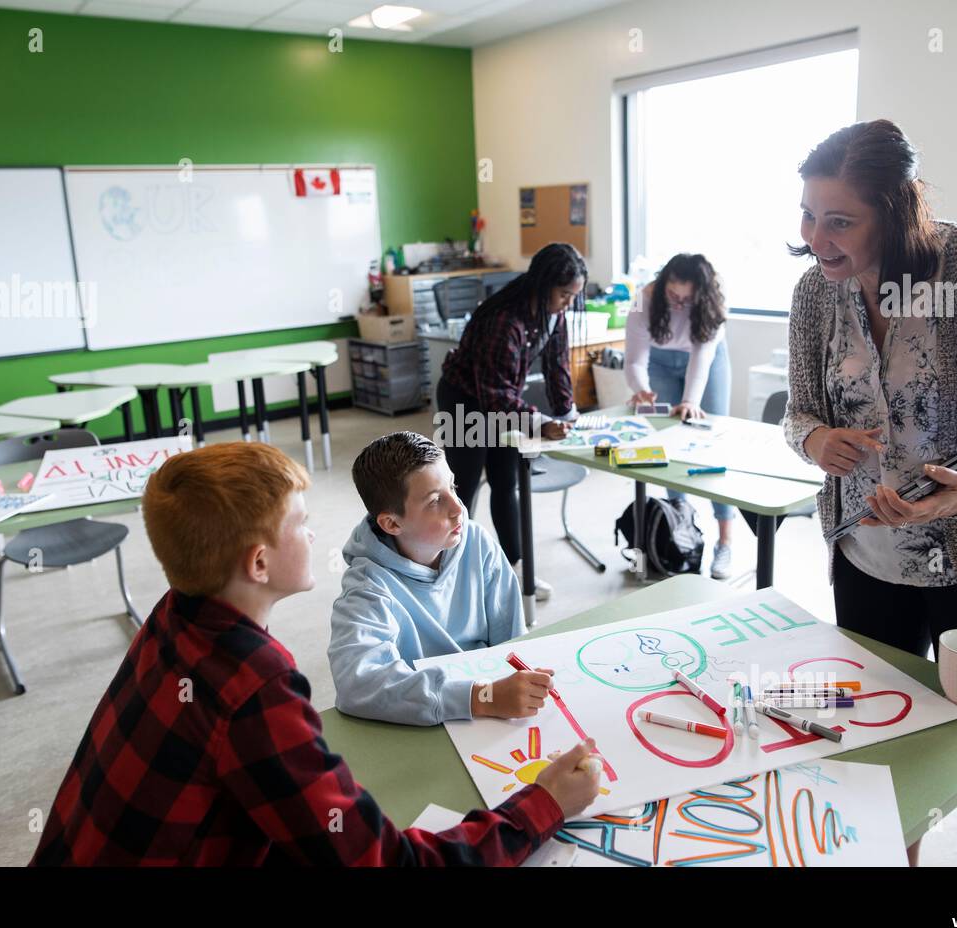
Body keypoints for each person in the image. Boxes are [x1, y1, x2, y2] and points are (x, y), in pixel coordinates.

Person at [30, 441, 599, 865]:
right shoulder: (255, 689)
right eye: (301, 524)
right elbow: (388, 862)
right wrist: (544, 803)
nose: (314, 534)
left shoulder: (173, 615)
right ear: (258, 564)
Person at [783, 119, 957, 866]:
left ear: (898, 207)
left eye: (840, 220)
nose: (817, 238)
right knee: (879, 755)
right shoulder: (818, 291)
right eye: (809, 214)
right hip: (869, 558)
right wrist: (816, 440)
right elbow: (799, 411)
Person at [330, 431, 549, 726]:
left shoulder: (477, 542)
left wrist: (514, 686)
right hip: (426, 722)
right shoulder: (368, 588)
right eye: (435, 500)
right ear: (392, 523)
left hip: (494, 712)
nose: (459, 508)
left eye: (453, 486)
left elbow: (512, 644)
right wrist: (482, 697)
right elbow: (357, 685)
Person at [438, 242, 587, 600]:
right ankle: (449, 576)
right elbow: (494, 396)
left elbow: (557, 365)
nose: (568, 303)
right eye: (565, 294)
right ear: (543, 284)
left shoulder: (552, 313)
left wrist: (566, 413)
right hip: (466, 404)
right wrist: (539, 422)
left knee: (507, 484)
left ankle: (518, 569)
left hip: (504, 404)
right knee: (463, 491)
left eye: (573, 296)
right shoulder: (504, 320)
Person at [624, 253, 735, 578]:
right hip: (658, 360)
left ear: (701, 294)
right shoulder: (643, 299)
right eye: (673, 295)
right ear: (663, 285)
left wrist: (689, 401)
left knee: (711, 444)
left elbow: (702, 360)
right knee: (667, 444)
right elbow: (634, 360)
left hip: (708, 361)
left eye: (687, 299)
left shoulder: (715, 303)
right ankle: (682, 529)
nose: (679, 303)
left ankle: (725, 542)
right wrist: (641, 389)